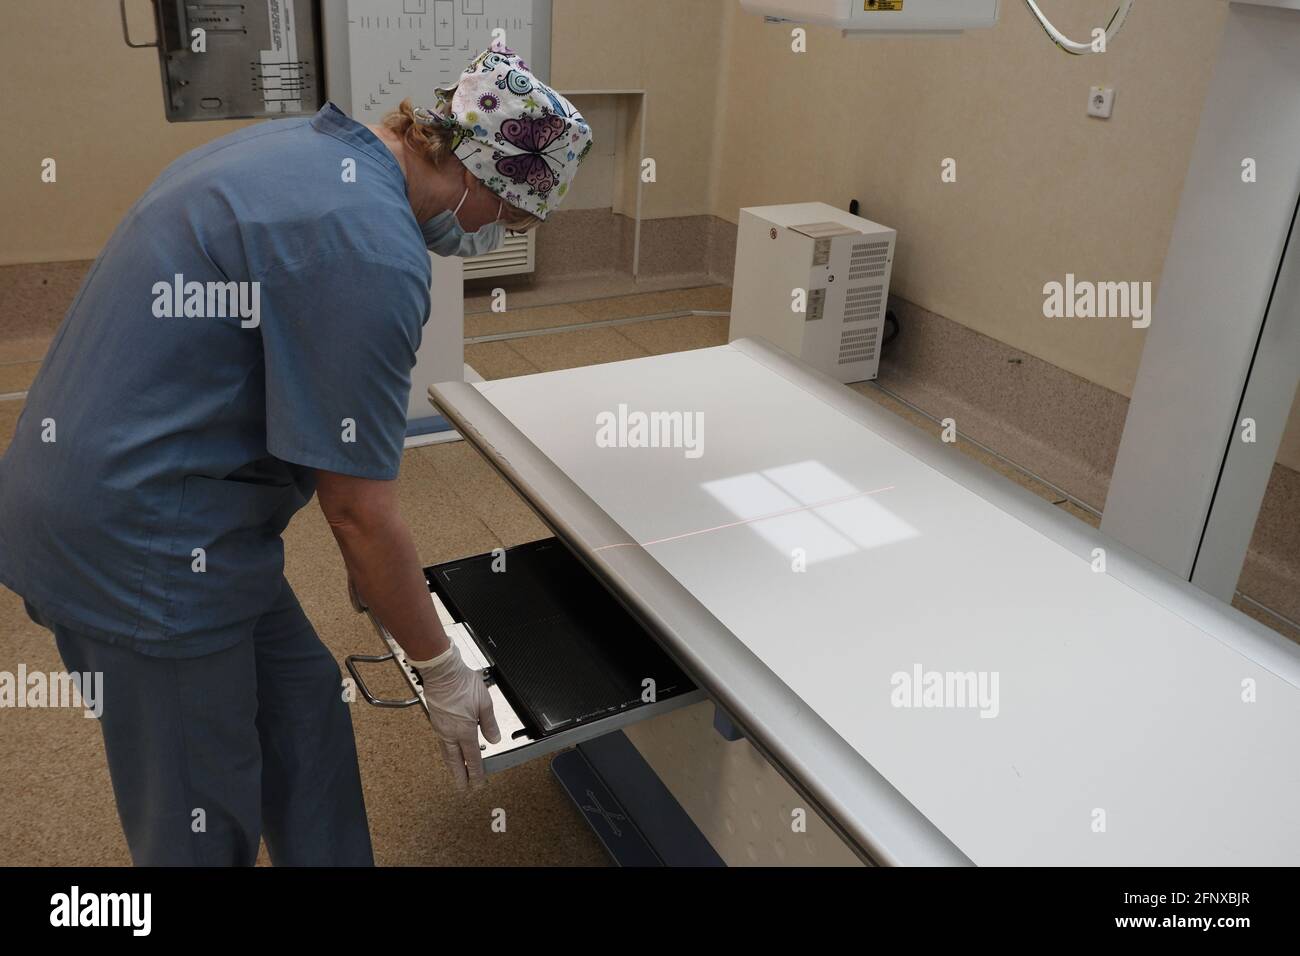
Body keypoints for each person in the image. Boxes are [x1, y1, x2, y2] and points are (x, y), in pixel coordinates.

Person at [0, 41, 592, 866]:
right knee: (198, 807)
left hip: (174, 500)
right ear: (483, 180)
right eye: (515, 221)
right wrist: (439, 665)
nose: (498, 238)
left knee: (303, 711)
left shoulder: (309, 151)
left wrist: (375, 576)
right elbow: (358, 511)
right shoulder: (370, 250)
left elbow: (321, 436)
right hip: (137, 539)